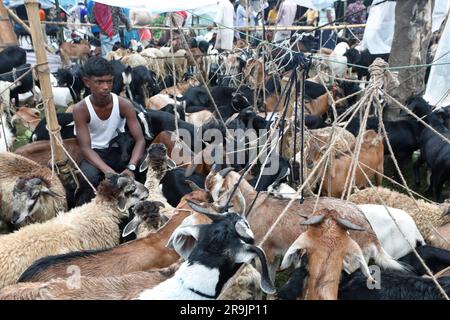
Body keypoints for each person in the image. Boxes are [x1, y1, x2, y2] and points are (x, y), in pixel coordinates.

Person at [73, 57, 146, 205]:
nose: (105, 87)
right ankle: (86, 209)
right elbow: (85, 148)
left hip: (117, 150)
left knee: (144, 165)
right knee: (89, 177)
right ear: (87, 82)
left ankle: (141, 205)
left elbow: (140, 140)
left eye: (109, 81)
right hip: (93, 154)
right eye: (99, 82)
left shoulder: (124, 104)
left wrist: (131, 166)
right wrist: (108, 171)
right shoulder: (81, 109)